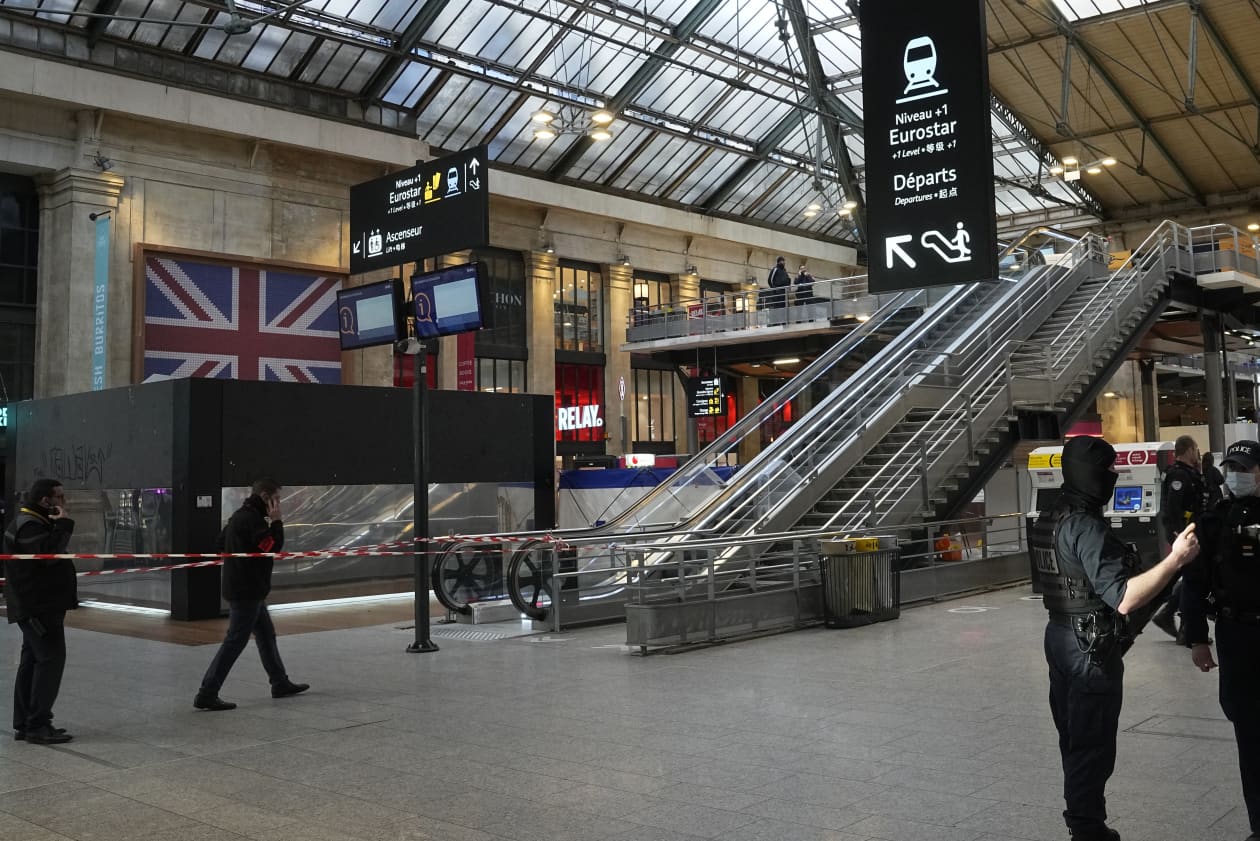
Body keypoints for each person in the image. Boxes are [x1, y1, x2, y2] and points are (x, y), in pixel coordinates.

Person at [1032, 435, 1199, 841]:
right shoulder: (1085, 526)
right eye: (1108, 471)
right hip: (1089, 647)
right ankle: (1087, 830)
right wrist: (1176, 559)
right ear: (1091, 473)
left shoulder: (1051, 515)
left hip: (1059, 635)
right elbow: (1124, 598)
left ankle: (1081, 818)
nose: (1113, 478)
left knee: (1073, 738)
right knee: (1092, 744)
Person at [1181, 439, 1260, 841]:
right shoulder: (1214, 522)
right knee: (1247, 731)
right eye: (1232, 467)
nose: (1236, 475)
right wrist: (1196, 638)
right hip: (1235, 634)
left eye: (1244, 468)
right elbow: (1192, 586)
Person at [194, 478, 308, 711]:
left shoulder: (239, 516)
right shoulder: (254, 520)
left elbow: (219, 542)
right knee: (235, 641)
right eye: (277, 499)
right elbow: (272, 548)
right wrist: (277, 522)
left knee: (266, 635)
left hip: (246, 589)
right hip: (247, 592)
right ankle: (207, 692)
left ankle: (279, 682)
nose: (279, 504)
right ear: (266, 497)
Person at [4, 479, 76, 745]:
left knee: (33, 661)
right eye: (60, 497)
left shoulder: (32, 521)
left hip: (37, 605)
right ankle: (37, 724)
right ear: (46, 500)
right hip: (38, 608)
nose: (63, 502)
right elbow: (49, 554)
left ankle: (25, 723)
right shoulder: (29, 525)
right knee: (50, 661)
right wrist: (64, 522)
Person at [1151, 435, 1205, 643]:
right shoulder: (1179, 476)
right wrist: (1178, 536)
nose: (1197, 453)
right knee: (1192, 577)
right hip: (1184, 534)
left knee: (1191, 576)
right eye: (1196, 449)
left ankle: (1181, 625)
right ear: (1189, 449)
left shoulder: (1189, 473)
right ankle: (1175, 620)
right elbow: (1173, 510)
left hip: (1190, 532)